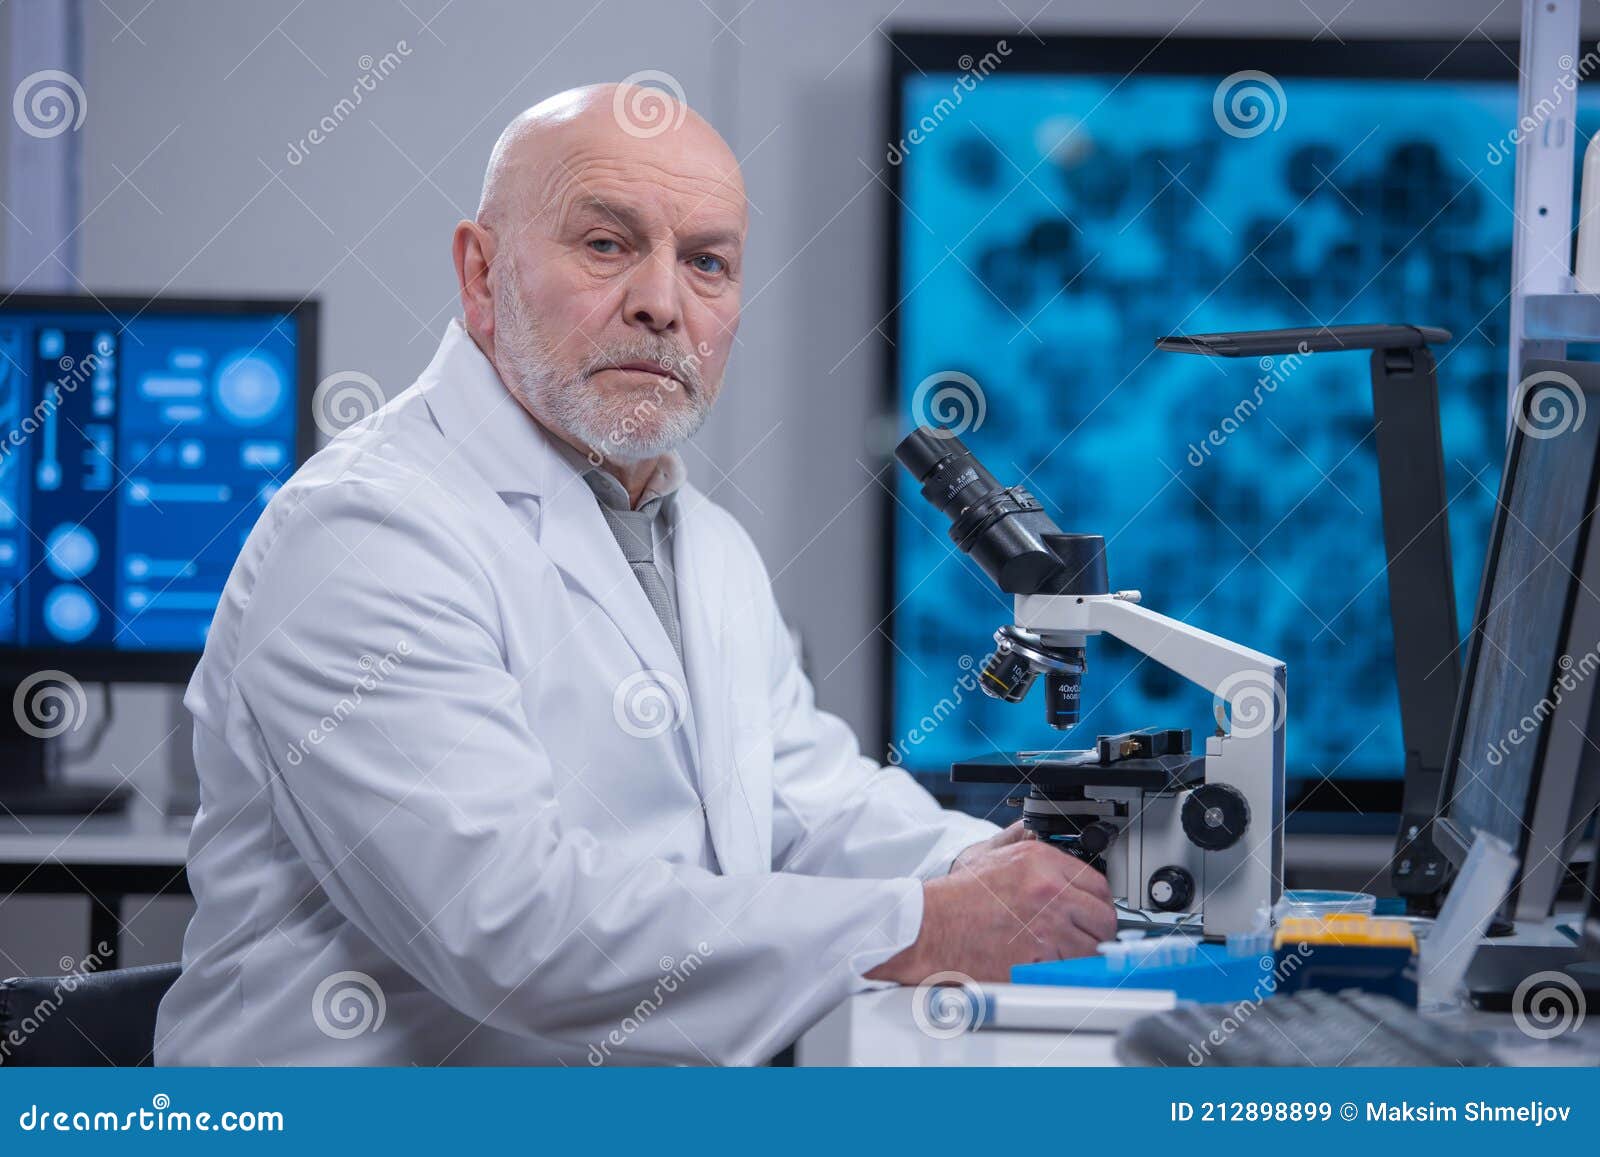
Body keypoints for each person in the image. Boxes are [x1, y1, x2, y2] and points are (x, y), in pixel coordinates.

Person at [154, 83, 1114, 1066]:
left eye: (707, 262)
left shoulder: (702, 542)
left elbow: (810, 804)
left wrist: (992, 871)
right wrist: (930, 923)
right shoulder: (364, 532)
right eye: (606, 244)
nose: (662, 302)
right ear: (480, 273)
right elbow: (512, 927)